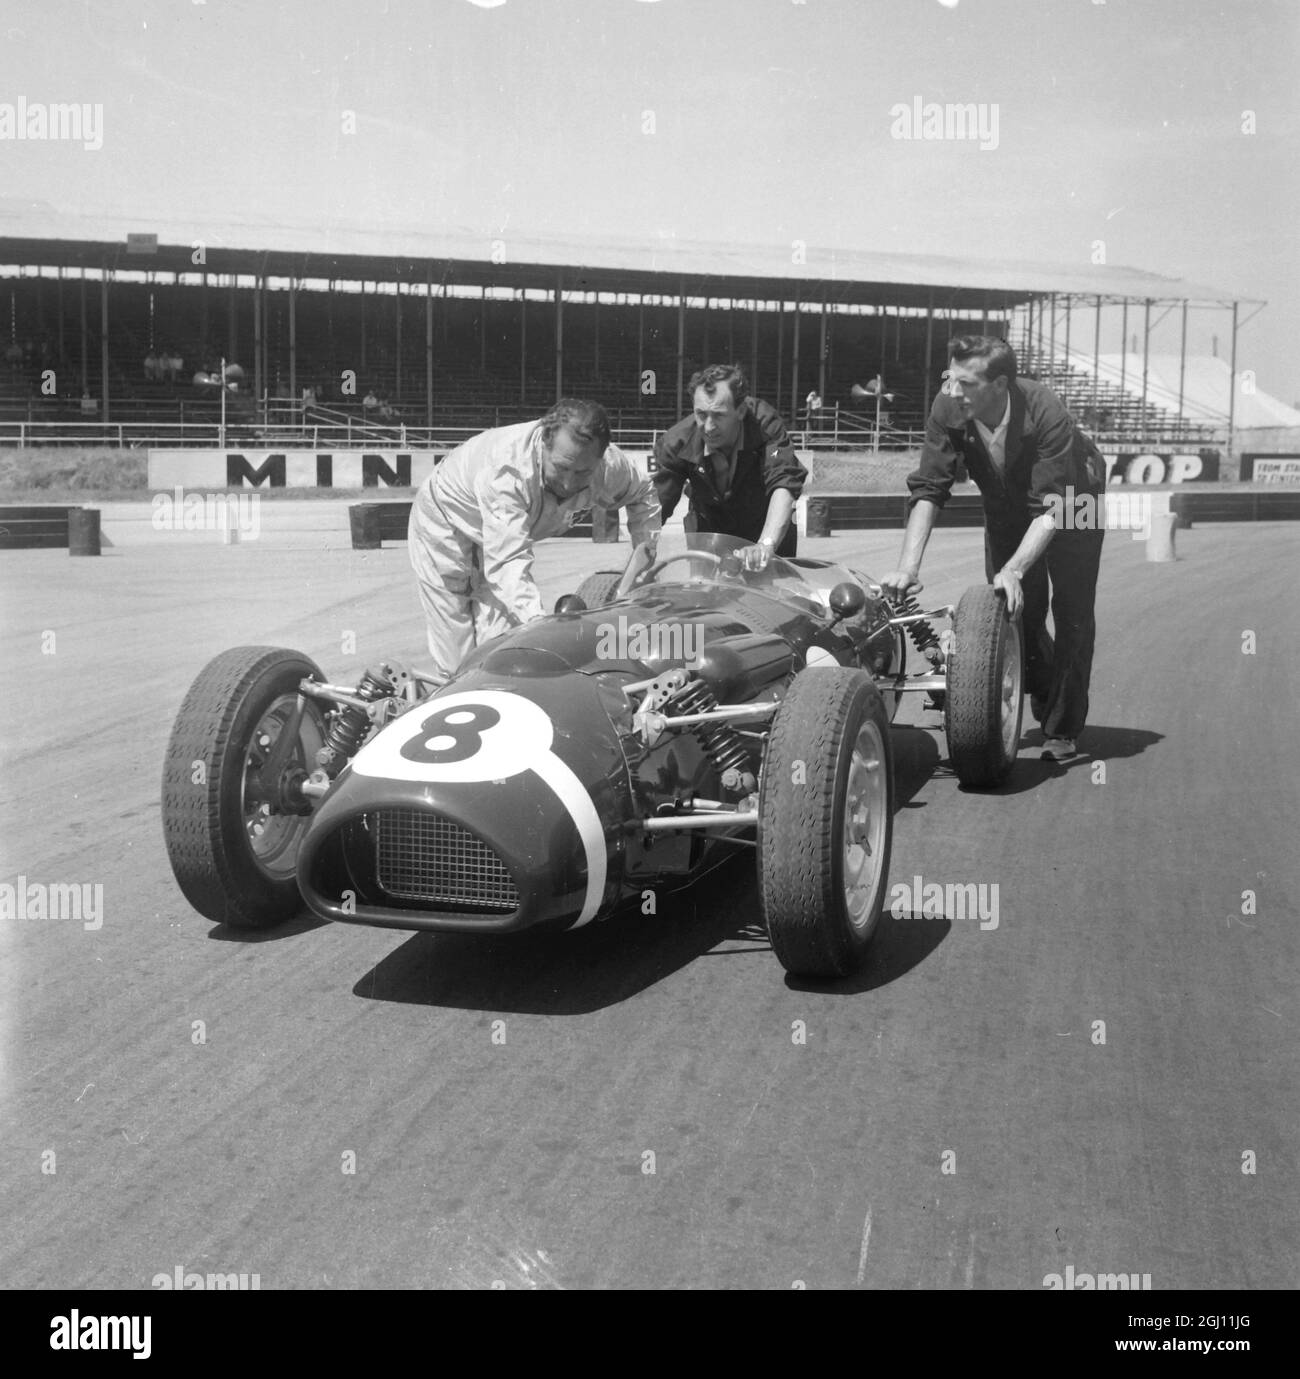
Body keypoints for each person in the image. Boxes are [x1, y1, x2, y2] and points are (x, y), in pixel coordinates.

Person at [880, 335, 1106, 760]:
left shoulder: (1047, 410)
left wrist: (1016, 566)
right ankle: (1044, 686)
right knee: (1016, 608)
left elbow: (1052, 509)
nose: (953, 390)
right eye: (951, 378)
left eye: (967, 383)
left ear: (1000, 385)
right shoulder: (948, 405)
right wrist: (907, 568)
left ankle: (1062, 728)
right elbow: (929, 489)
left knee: (1072, 614)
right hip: (1007, 504)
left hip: (1075, 504)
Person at [408, 398, 661, 681]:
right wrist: (545, 628)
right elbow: (507, 565)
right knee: (457, 651)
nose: (568, 483)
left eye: (582, 472)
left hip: (504, 530)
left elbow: (644, 495)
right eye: (561, 468)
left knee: (502, 645)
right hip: (448, 522)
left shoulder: (611, 467)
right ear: (543, 444)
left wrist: (642, 569)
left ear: (600, 458)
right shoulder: (506, 471)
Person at [653, 363, 807, 570]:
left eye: (718, 415)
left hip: (765, 532)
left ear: (741, 410)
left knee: (770, 600)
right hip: (709, 537)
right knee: (705, 599)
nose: (708, 427)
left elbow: (784, 483)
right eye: (701, 414)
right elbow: (655, 509)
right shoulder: (676, 442)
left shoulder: (765, 425)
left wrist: (765, 546)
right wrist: (640, 560)